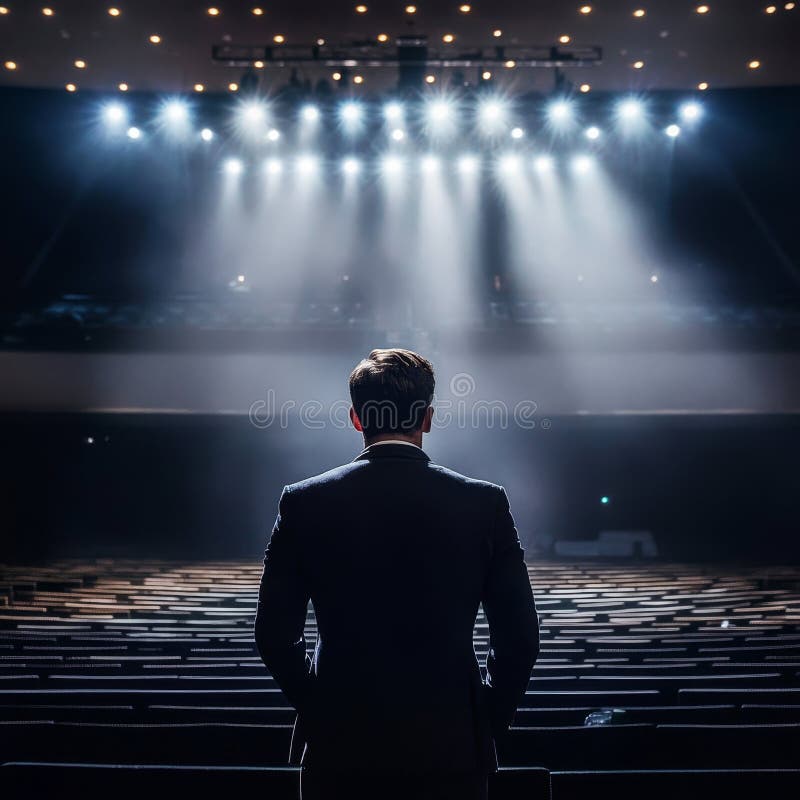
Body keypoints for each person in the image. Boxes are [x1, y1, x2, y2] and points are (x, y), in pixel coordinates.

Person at [255, 348, 539, 800]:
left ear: (355, 418)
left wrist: (321, 705)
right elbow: (520, 640)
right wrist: (483, 717)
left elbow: (273, 636)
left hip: (339, 747)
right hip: (451, 749)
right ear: (427, 418)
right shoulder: (485, 504)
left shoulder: (302, 502)